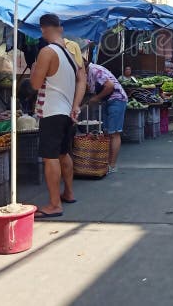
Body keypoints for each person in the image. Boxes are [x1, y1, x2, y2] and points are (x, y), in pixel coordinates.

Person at [30, 14, 86, 219]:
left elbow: (35, 84)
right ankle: (68, 193)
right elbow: (82, 80)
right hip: (67, 112)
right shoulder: (70, 54)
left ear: (43, 29)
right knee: (64, 153)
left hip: (51, 111)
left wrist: (34, 69)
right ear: (60, 29)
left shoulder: (47, 52)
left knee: (50, 157)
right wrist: (76, 105)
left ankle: (54, 204)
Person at [86, 61, 128, 175]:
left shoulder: (94, 70)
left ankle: (112, 166)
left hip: (117, 99)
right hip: (107, 101)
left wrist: (96, 98)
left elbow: (110, 86)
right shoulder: (87, 72)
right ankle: (106, 163)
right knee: (106, 132)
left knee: (114, 133)